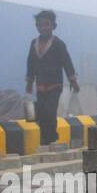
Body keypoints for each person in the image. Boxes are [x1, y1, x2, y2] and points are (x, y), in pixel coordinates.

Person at [25, 10, 79, 148]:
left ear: (53, 26)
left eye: (46, 24)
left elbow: (67, 62)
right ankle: (45, 139)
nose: (43, 28)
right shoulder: (34, 44)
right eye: (40, 25)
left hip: (55, 85)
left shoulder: (58, 44)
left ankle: (52, 137)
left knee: (50, 111)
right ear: (36, 26)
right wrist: (30, 82)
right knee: (41, 112)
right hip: (40, 85)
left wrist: (73, 81)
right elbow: (30, 63)